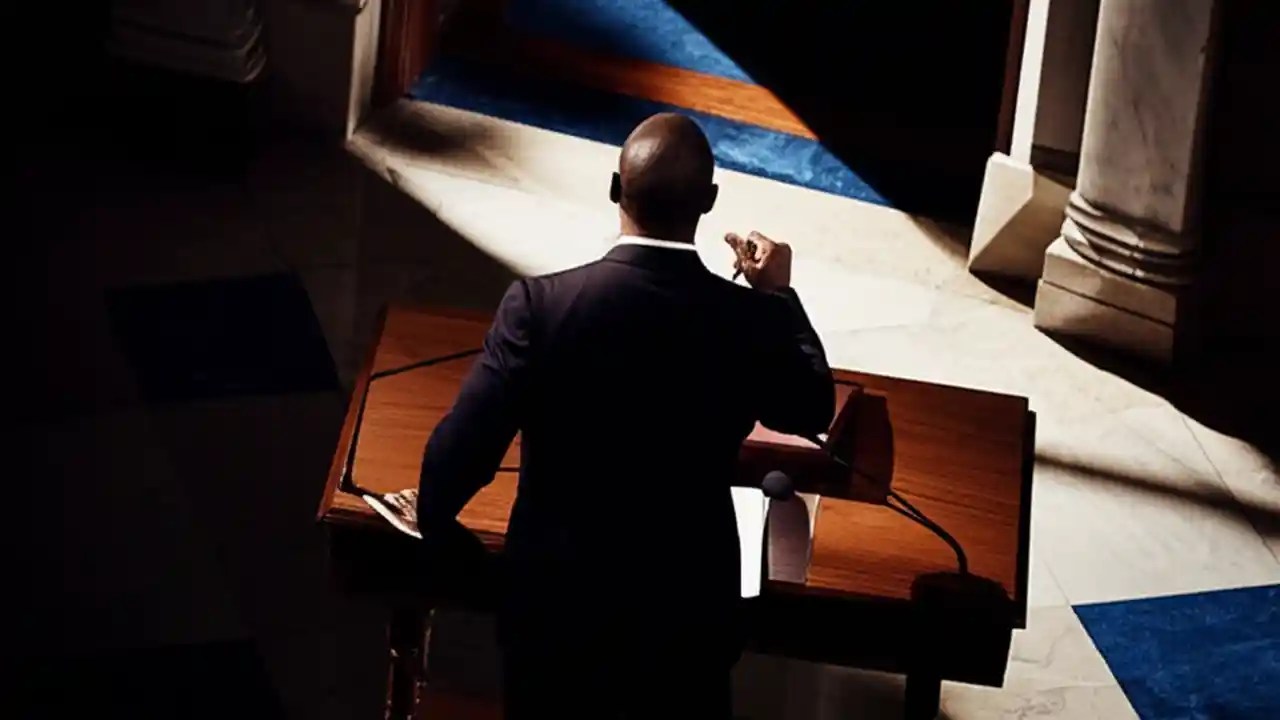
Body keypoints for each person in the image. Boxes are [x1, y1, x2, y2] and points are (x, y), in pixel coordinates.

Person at [416, 112, 834, 718]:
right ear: (709, 202)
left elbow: (453, 461)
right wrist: (777, 294)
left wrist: (479, 570)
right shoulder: (748, 321)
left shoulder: (539, 307)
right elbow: (811, 406)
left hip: (555, 625)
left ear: (616, 189)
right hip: (686, 628)